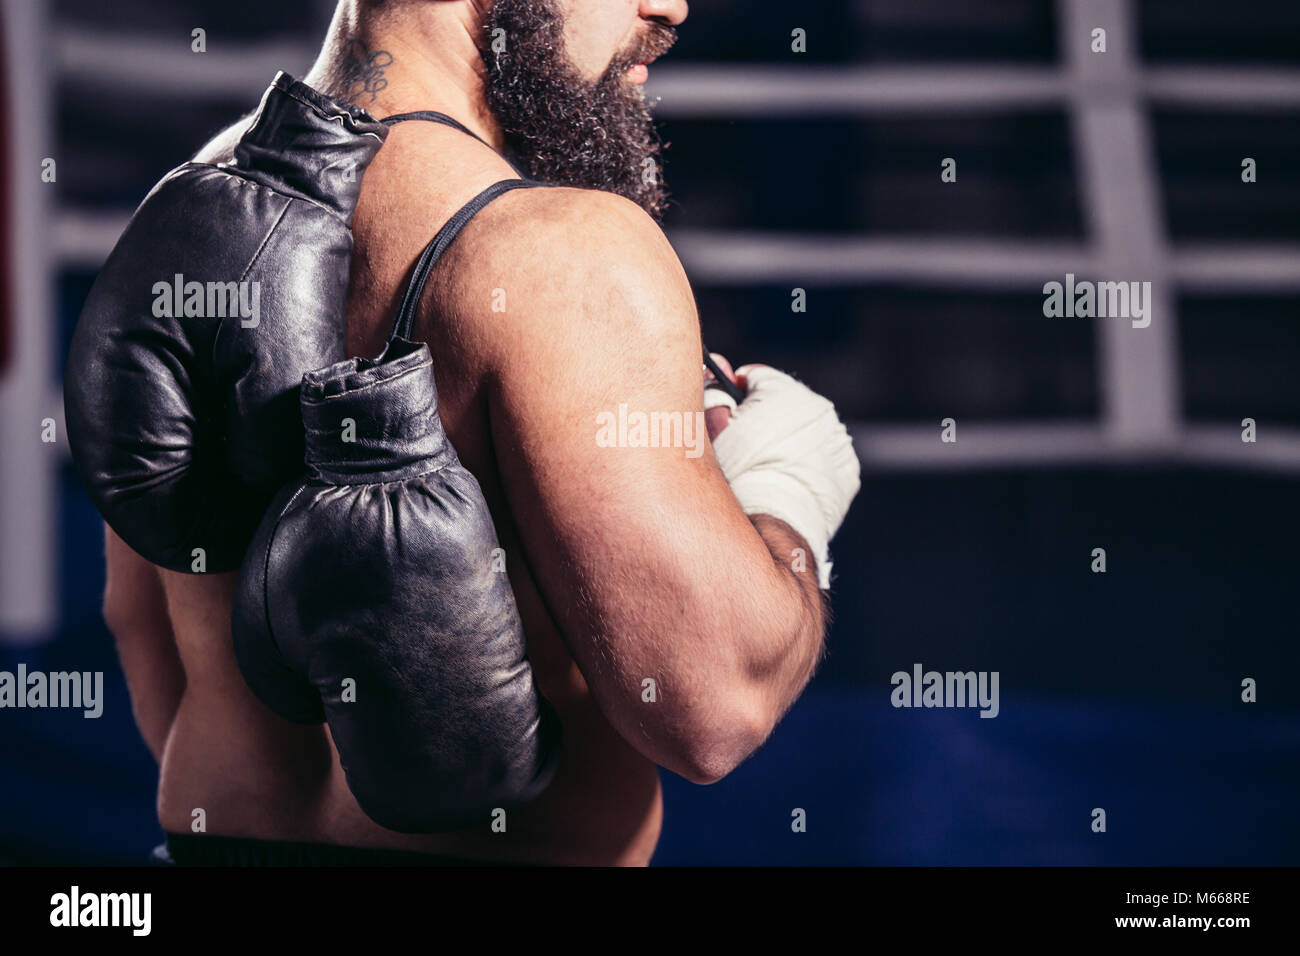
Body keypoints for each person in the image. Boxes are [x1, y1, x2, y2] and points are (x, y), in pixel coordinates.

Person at [103, 0, 859, 866]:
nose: (670, 6)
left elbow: (140, 622)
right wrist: (784, 487)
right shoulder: (565, 254)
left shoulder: (191, 204)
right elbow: (716, 713)